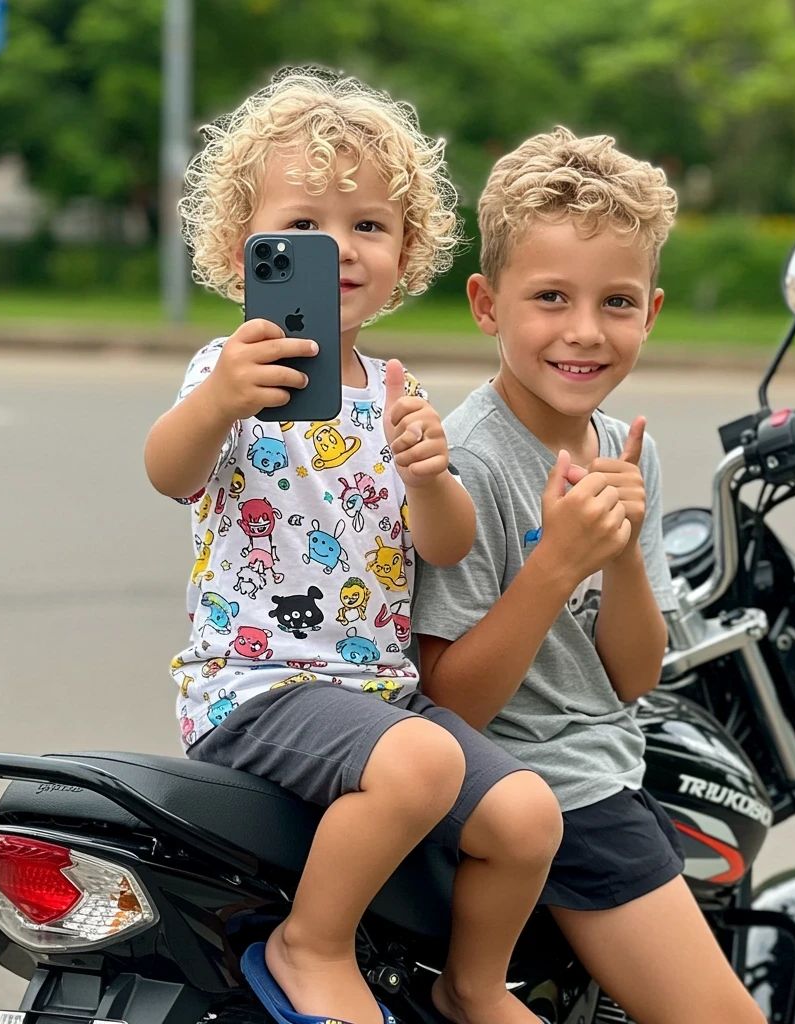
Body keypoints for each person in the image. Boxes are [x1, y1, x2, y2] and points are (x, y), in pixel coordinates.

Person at [145, 68, 563, 1024]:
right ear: (245, 244)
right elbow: (170, 472)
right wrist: (216, 402)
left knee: (527, 816)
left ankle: (470, 986)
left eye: (368, 225)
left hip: (375, 691)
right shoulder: (230, 365)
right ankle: (310, 944)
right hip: (256, 685)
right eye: (305, 224)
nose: (337, 248)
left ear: (406, 250)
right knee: (423, 764)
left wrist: (431, 475)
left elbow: (444, 546)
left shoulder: (395, 386)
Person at [412, 127, 766, 1024]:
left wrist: (620, 558)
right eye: (550, 298)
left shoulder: (620, 447)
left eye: (615, 301)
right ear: (488, 305)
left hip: (605, 761)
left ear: (650, 312)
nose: (583, 331)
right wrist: (555, 564)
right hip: (553, 788)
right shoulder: (473, 465)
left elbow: (635, 675)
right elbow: (451, 703)